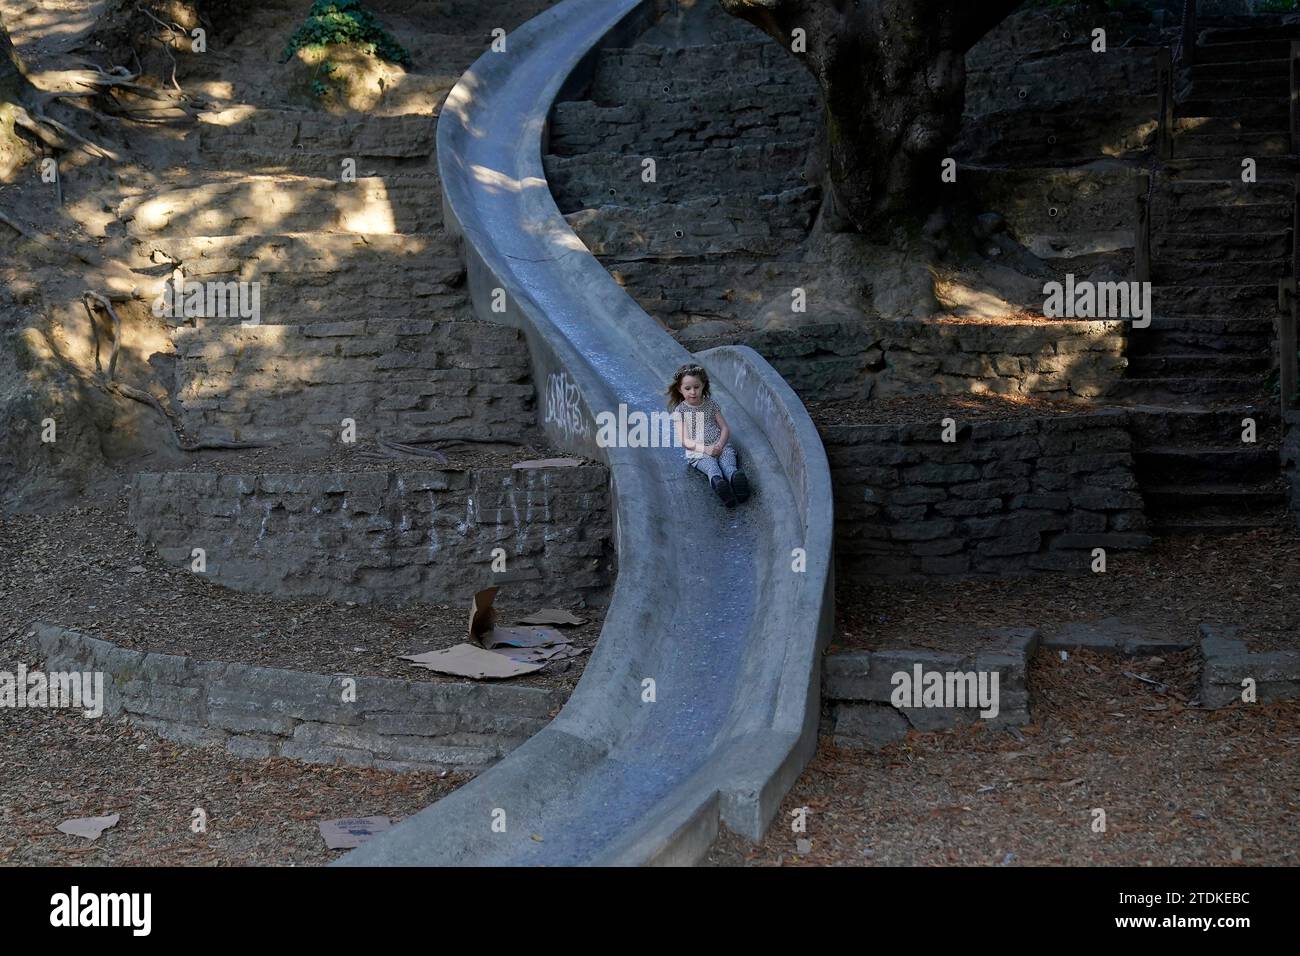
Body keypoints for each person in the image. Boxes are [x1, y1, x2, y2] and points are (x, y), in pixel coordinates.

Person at [666, 363, 750, 508]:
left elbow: (724, 428)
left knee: (728, 465)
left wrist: (720, 445)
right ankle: (722, 488)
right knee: (712, 468)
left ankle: (737, 481)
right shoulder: (680, 412)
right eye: (687, 388)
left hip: (720, 445)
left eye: (696, 387)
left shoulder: (711, 404)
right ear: (680, 389)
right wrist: (706, 449)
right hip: (698, 452)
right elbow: (685, 441)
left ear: (703, 385)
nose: (693, 392)